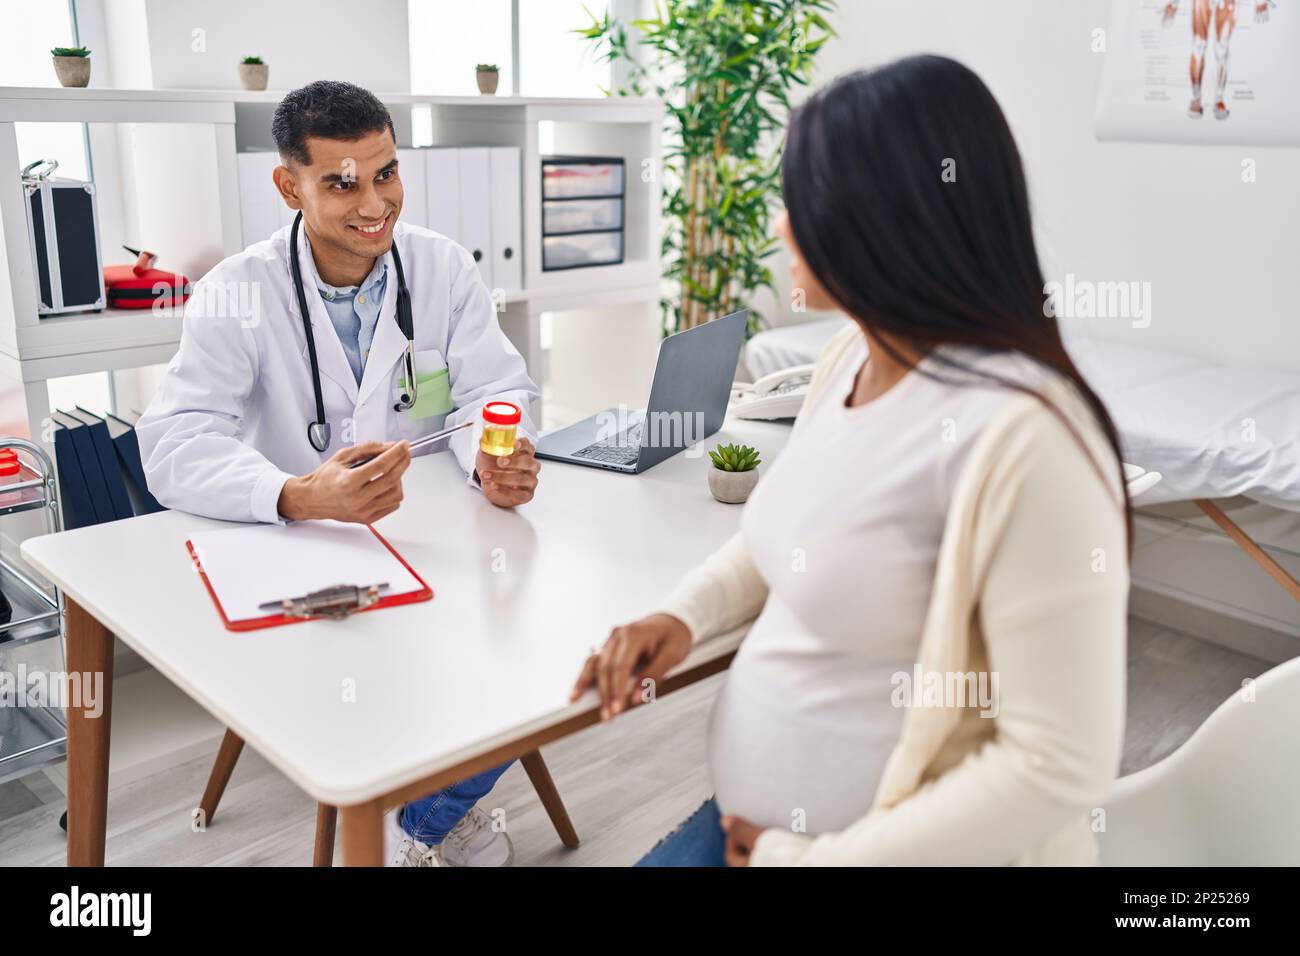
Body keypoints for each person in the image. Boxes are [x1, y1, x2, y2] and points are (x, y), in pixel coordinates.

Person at [571, 55, 1132, 866]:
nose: (779, 225)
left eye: (797, 199)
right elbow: (788, 539)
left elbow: (1056, 767)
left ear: (876, 220)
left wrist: (803, 860)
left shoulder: (1025, 438)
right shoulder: (848, 361)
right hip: (746, 829)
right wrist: (683, 615)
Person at [137, 80, 540, 867]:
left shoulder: (444, 268)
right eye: (341, 183)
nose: (374, 203)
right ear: (289, 186)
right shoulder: (238, 291)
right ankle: (404, 798)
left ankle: (414, 820)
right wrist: (294, 492)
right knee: (443, 666)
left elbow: (499, 392)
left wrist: (494, 459)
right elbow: (174, 444)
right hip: (303, 566)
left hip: (433, 550)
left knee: (546, 645)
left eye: (385, 173)